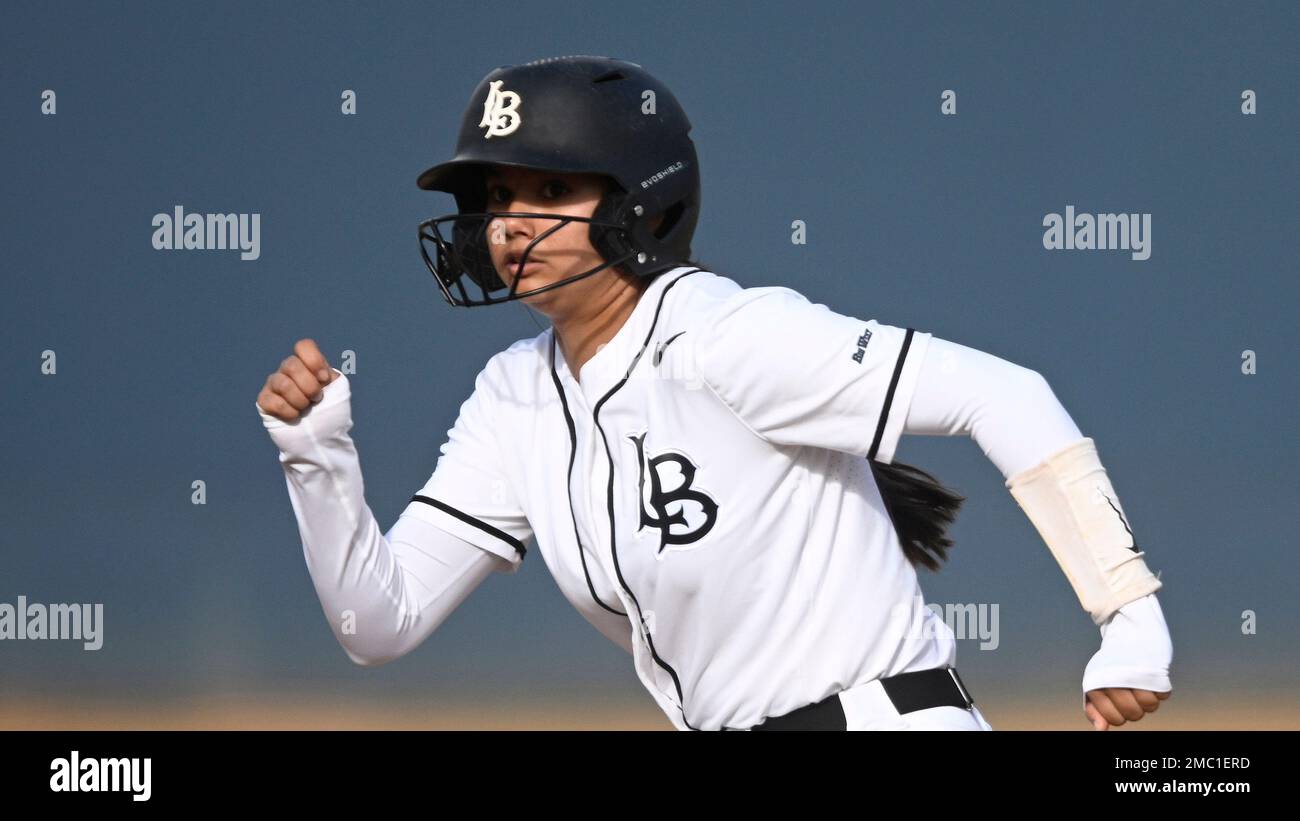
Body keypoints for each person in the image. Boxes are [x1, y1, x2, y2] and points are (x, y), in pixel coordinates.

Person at [255, 55, 1173, 731]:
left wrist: (1131, 619)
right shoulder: (512, 396)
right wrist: (317, 455)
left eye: (552, 187)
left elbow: (1006, 395)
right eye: (497, 194)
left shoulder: (728, 337)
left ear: (640, 203)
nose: (511, 224)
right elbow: (378, 623)